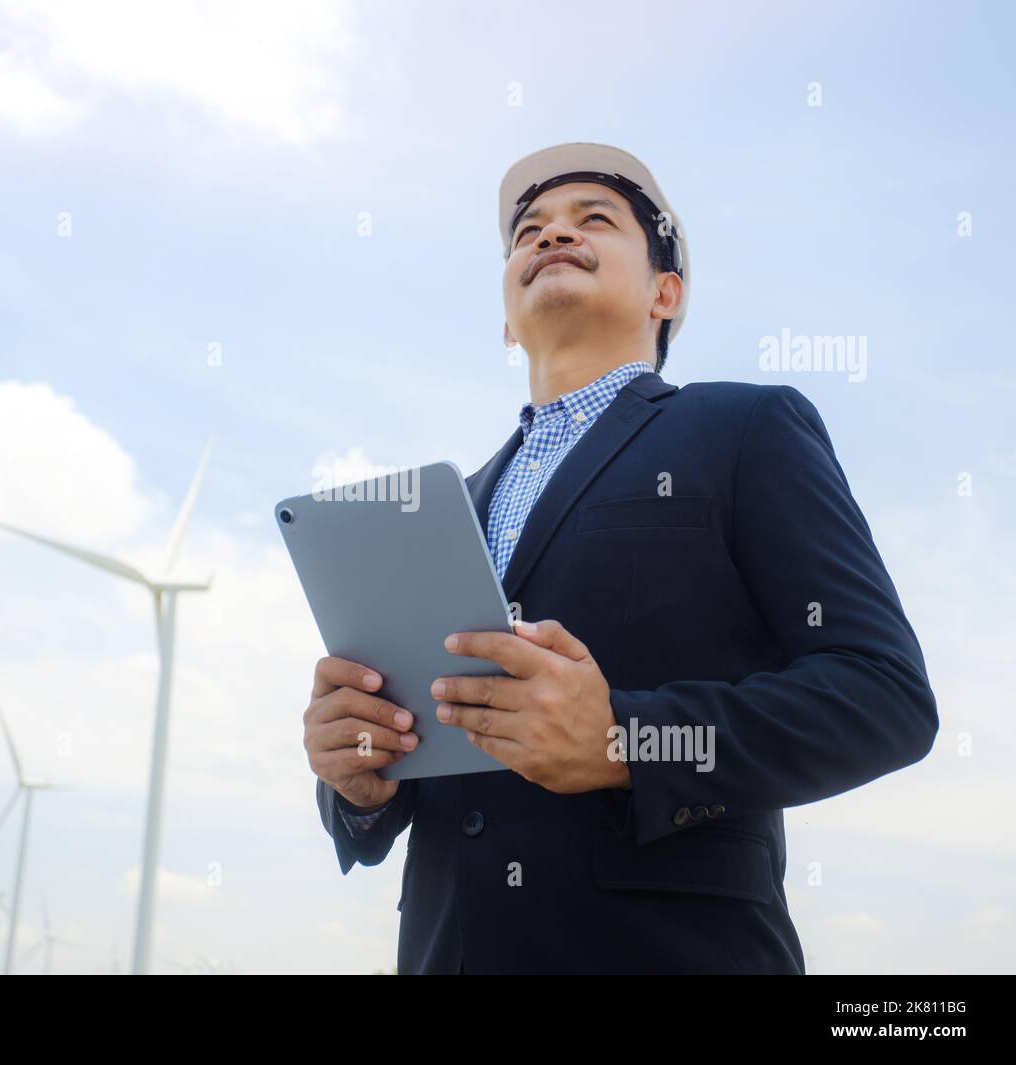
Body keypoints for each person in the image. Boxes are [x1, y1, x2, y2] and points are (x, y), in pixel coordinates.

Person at [301, 142, 938, 974]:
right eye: (529, 230)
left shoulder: (745, 429)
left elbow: (883, 695)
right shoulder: (446, 504)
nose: (552, 235)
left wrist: (626, 741)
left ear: (664, 293)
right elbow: (422, 755)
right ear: (505, 315)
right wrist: (356, 778)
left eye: (592, 220)